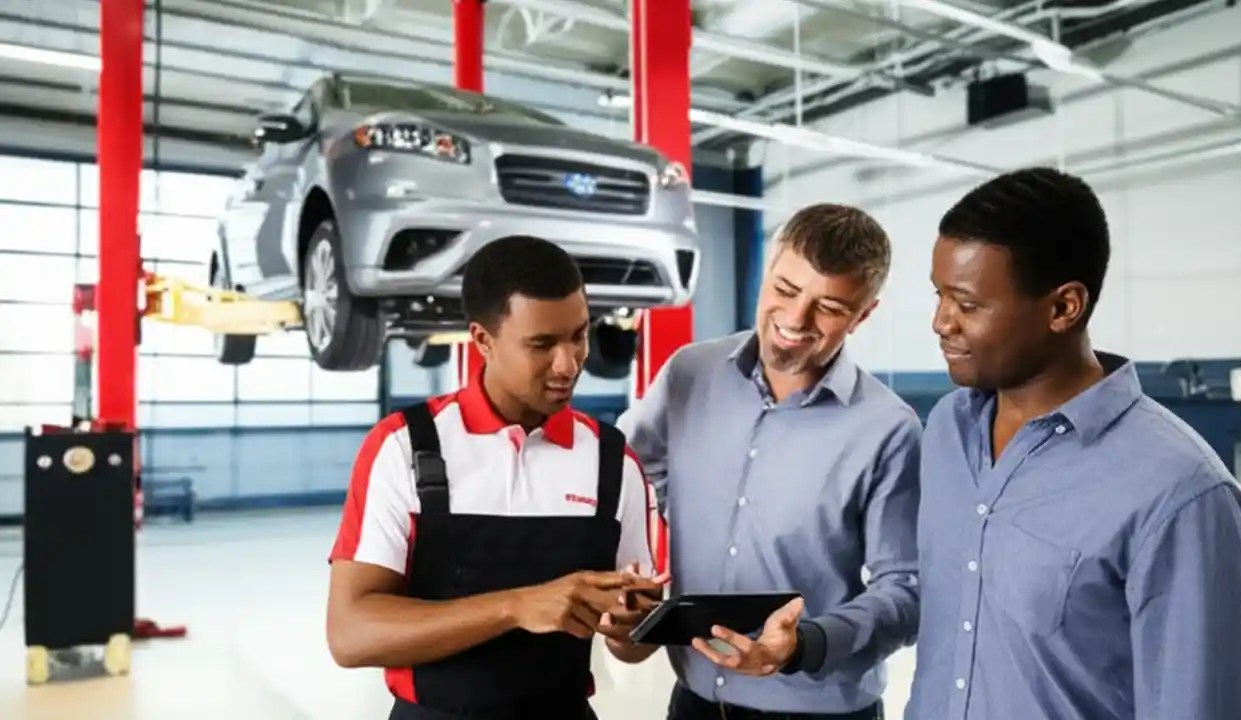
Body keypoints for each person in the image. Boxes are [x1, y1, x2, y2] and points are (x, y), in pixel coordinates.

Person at [907, 167, 1241, 720]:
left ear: (1063, 308)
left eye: (967, 304)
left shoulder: (1181, 492)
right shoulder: (948, 430)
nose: (940, 322)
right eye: (939, 296)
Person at [325, 235, 666, 720]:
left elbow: (632, 647)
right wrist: (517, 607)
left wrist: (634, 624)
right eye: (542, 344)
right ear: (482, 340)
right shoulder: (406, 448)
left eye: (578, 335)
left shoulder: (613, 462)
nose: (568, 364)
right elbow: (350, 634)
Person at [614, 203, 923, 720]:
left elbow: (908, 591)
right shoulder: (690, 374)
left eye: (829, 307)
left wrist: (805, 644)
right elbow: (629, 486)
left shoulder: (889, 430)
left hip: (817, 713)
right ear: (767, 270)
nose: (796, 319)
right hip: (693, 702)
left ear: (864, 313)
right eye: (784, 289)